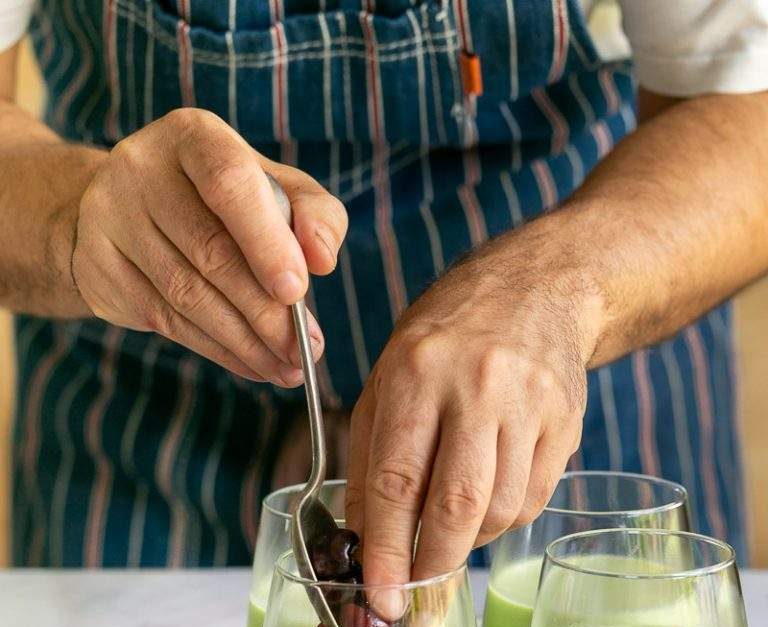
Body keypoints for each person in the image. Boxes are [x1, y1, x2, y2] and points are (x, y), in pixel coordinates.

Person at [0, 1, 765, 584]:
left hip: (573, 421)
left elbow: (746, 109)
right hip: (135, 440)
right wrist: (74, 219)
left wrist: (558, 290)